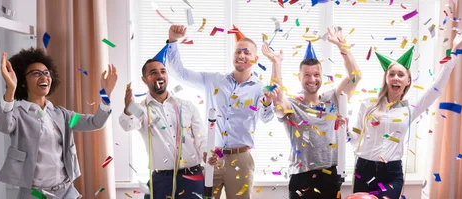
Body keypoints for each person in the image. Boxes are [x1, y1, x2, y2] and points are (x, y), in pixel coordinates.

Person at [349, 23, 462, 199]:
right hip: (365, 169)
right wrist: (345, 132)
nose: (395, 78)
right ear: (386, 78)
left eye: (400, 75)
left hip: (391, 173)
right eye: (391, 74)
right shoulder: (367, 104)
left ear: (408, 81)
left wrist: (453, 51)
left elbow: (436, 88)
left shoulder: (410, 109)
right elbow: (355, 137)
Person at [165, 24, 275, 199]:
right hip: (213, 157)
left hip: (241, 158)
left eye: (247, 53)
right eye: (238, 52)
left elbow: (266, 118)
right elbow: (180, 74)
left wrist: (268, 102)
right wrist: (172, 41)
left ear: (255, 58)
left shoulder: (259, 89)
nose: (241, 55)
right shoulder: (214, 80)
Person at [0, 48, 117, 199]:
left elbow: (95, 122)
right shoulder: (18, 115)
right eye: (36, 73)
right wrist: (11, 90)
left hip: (66, 191)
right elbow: (2, 125)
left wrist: (106, 94)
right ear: (23, 82)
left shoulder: (62, 115)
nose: (44, 76)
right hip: (35, 194)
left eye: (46, 72)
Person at [264, 27, 361, 199]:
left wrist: (342, 47)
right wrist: (276, 64)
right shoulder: (293, 105)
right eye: (307, 75)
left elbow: (355, 76)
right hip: (301, 177)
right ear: (299, 77)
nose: (312, 79)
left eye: (316, 74)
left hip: (331, 174)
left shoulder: (333, 98)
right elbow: (278, 100)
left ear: (322, 76)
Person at [120, 59, 218, 199]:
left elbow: (201, 137)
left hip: (192, 177)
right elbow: (127, 125)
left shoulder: (187, 106)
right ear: (144, 79)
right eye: (153, 72)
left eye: (163, 71)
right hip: (161, 180)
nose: (159, 75)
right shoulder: (140, 109)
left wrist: (206, 152)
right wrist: (129, 108)